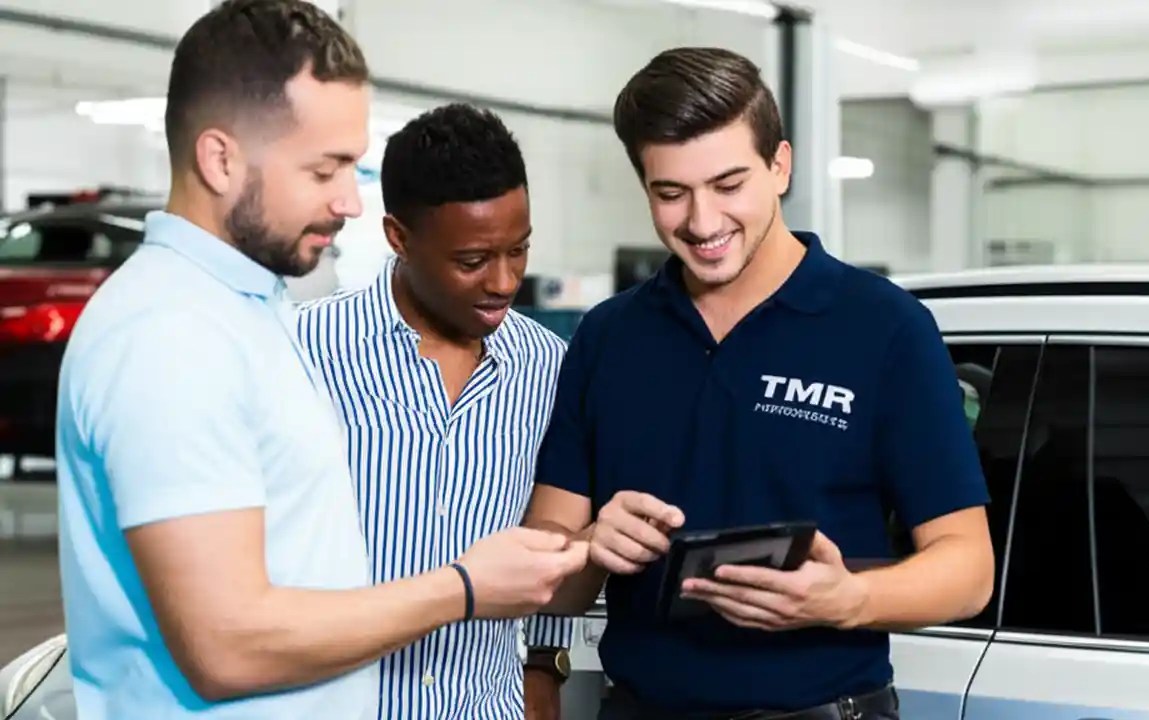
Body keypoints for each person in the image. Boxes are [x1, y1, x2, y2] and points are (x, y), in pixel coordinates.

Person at [54, 3, 586, 719]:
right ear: (221, 159)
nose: (347, 202)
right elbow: (224, 646)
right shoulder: (173, 335)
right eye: (325, 169)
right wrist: (462, 587)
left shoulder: (250, 315)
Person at [525, 47, 995, 719]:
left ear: (780, 165)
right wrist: (591, 544)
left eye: (728, 184)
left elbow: (968, 570)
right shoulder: (608, 337)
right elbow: (554, 578)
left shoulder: (884, 328)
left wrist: (849, 600)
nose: (703, 221)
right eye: (670, 193)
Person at [294, 103, 576, 720]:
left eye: (519, 251)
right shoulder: (299, 355)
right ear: (399, 237)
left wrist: (544, 666)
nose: (504, 282)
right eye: (472, 261)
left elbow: (551, 531)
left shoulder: (549, 369)